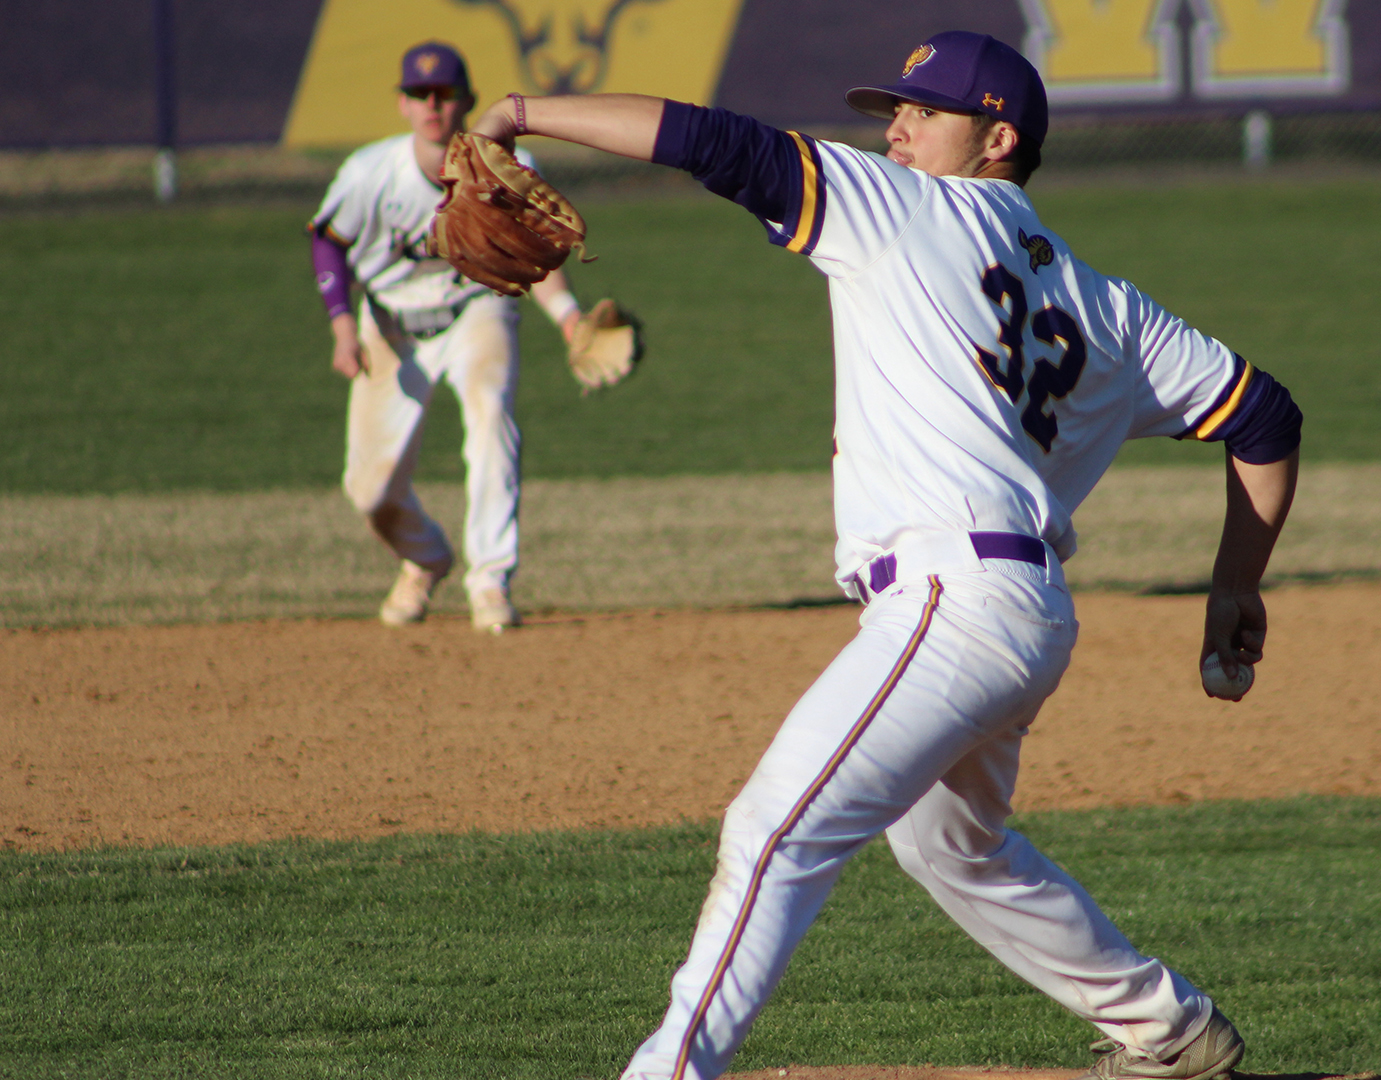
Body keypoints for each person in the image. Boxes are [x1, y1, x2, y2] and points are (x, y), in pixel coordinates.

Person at [470, 30, 1302, 1080]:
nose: (896, 127)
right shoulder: (1110, 309)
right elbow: (1266, 418)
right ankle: (1166, 1029)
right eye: (892, 110)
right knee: (952, 845)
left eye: (926, 111)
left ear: (999, 137)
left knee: (773, 829)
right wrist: (1235, 585)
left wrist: (523, 112)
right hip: (1027, 610)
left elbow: (718, 144)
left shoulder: (903, 208)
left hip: (953, 602)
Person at [310, 41, 594, 632]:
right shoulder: (370, 173)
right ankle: (425, 559)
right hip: (390, 325)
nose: (433, 105)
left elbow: (534, 256)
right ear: (402, 105)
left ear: (467, 99)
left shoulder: (503, 166)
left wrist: (569, 319)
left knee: (492, 420)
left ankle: (490, 581)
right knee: (368, 490)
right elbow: (327, 239)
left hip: (475, 312)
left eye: (443, 94)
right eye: (420, 95)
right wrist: (342, 325)